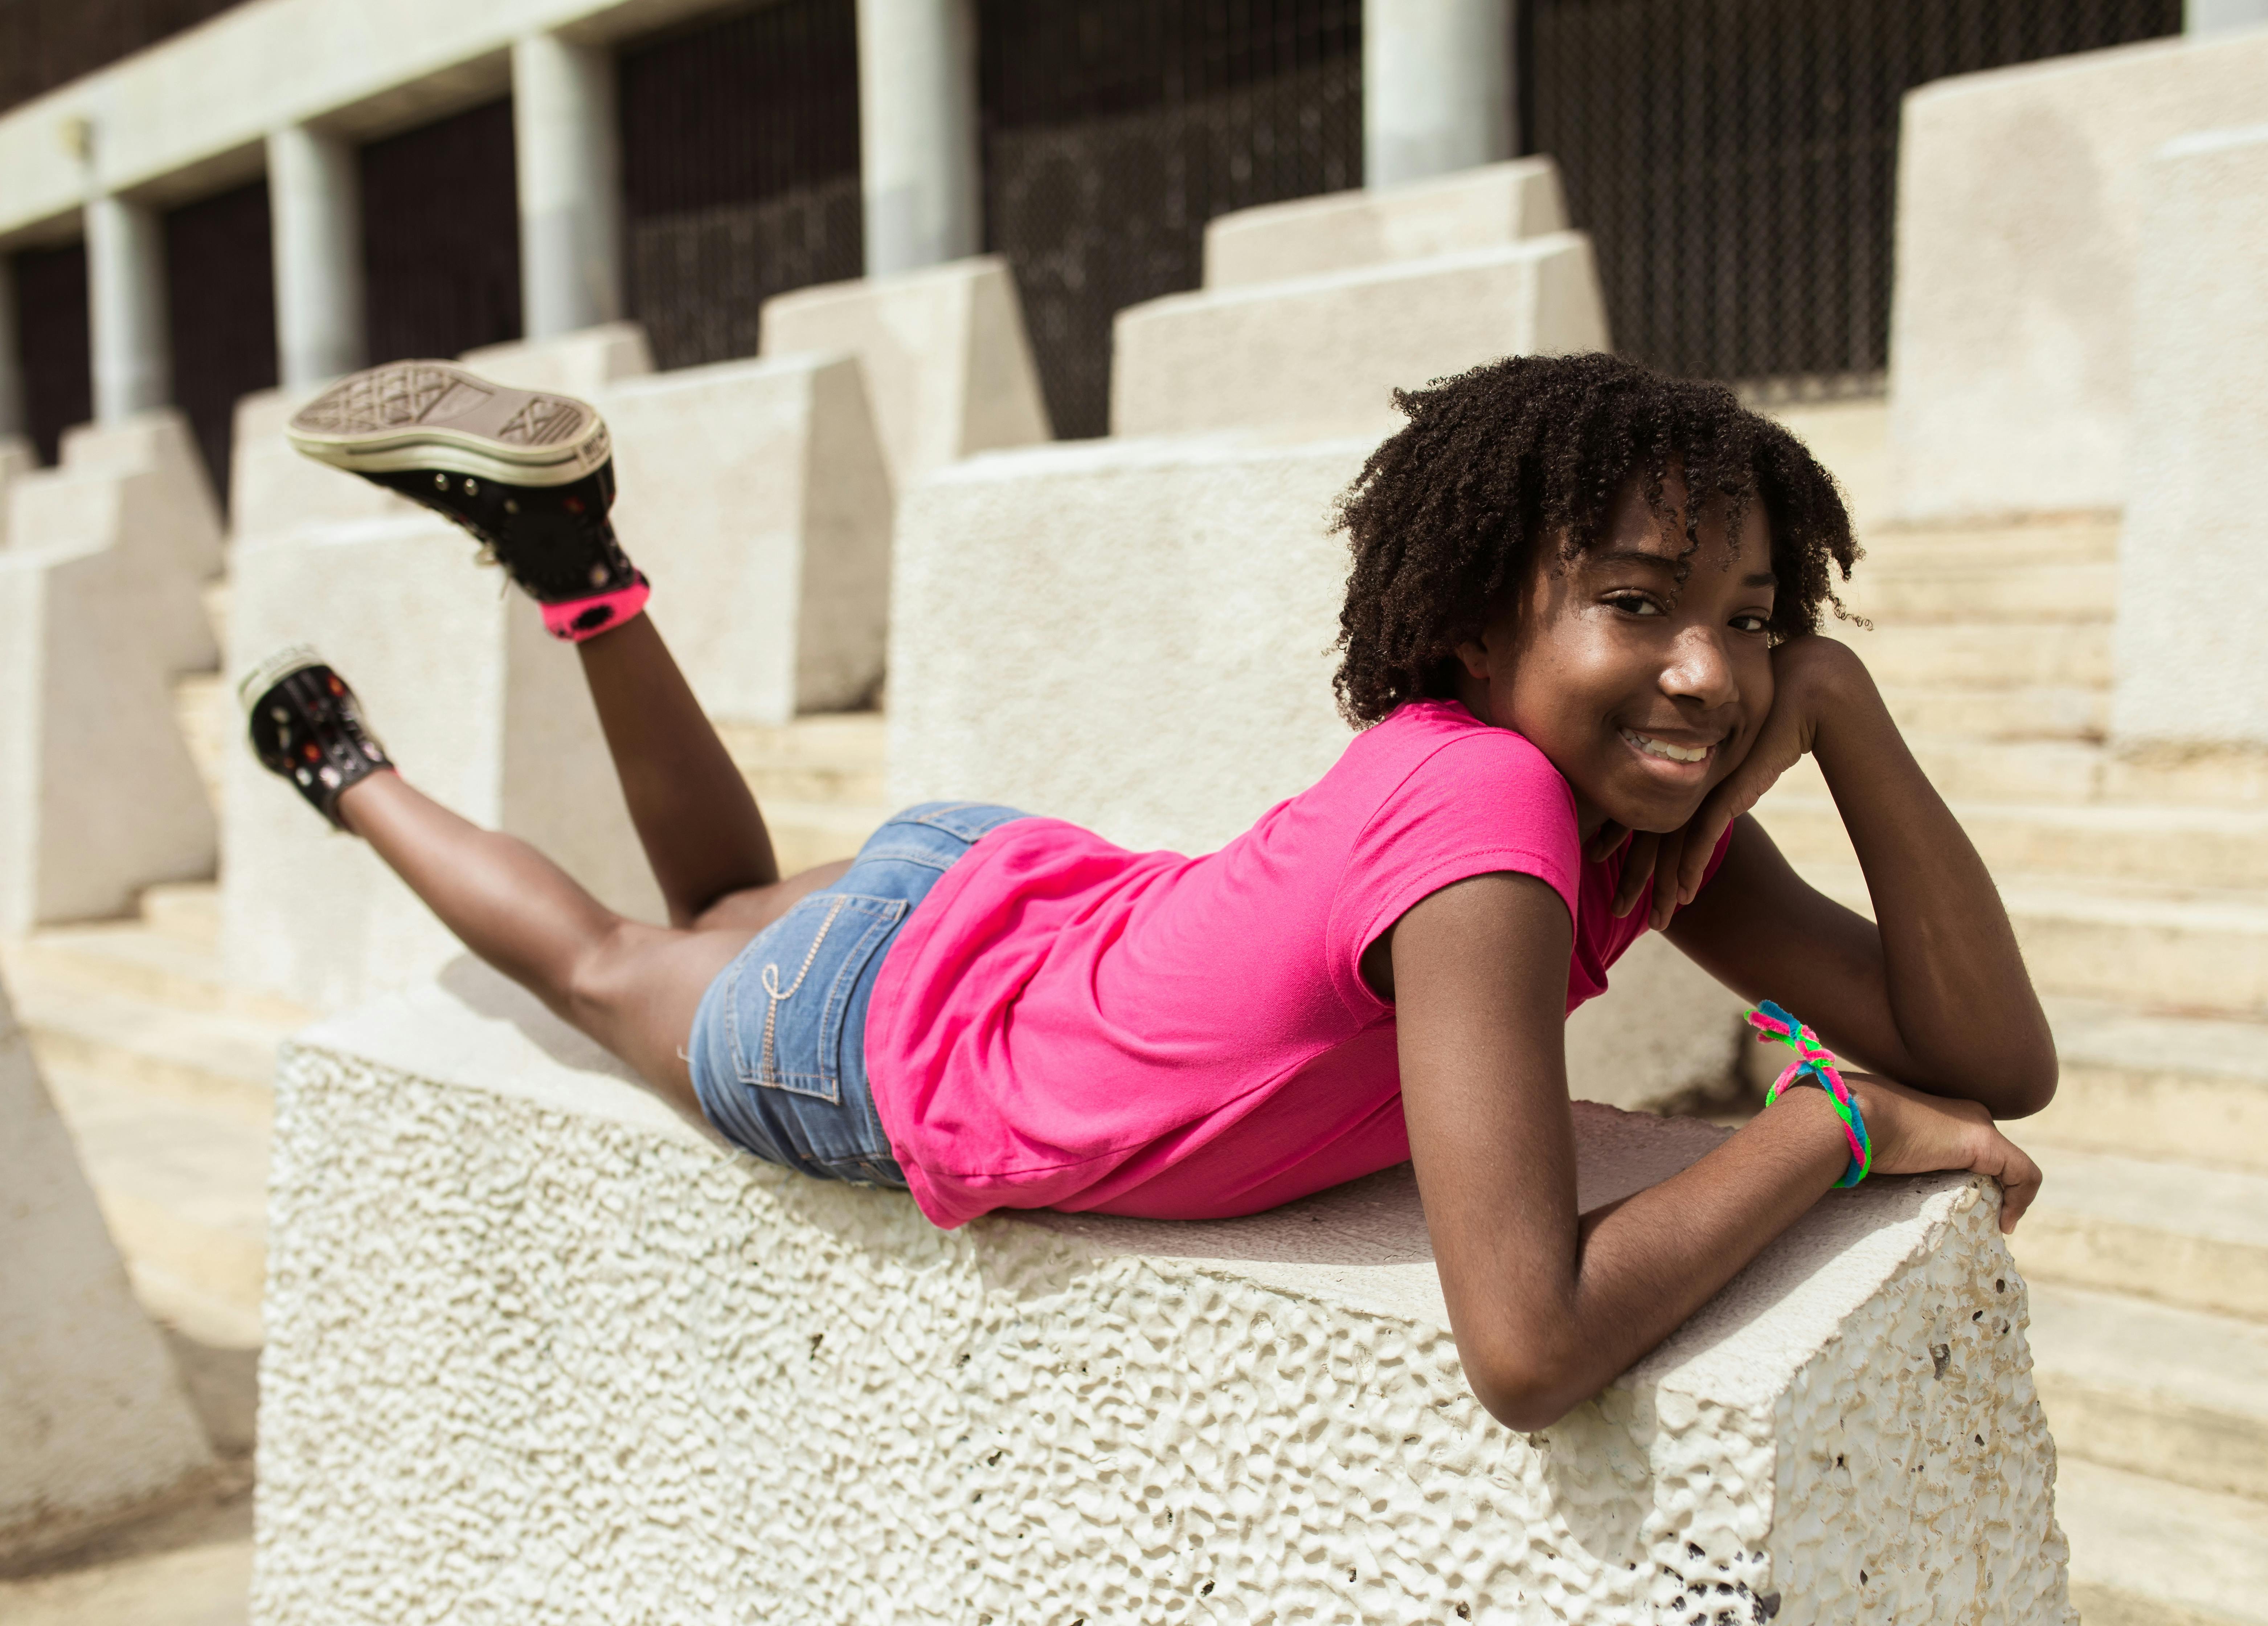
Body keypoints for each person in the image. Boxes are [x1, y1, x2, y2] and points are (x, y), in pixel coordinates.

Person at [247, 352, 2047, 1433]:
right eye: (1639, 604)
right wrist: (1829, 1120)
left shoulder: (1616, 818)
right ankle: (339, 759)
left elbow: (1995, 1053)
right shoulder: (1498, 824)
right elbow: (1530, 1339)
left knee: (714, 897)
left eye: (1752, 620)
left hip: (1010, 896)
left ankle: (585, 575)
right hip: (892, 1035)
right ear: (1473, 618)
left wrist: (1848, 706)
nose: (1708, 674)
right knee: (600, 953)